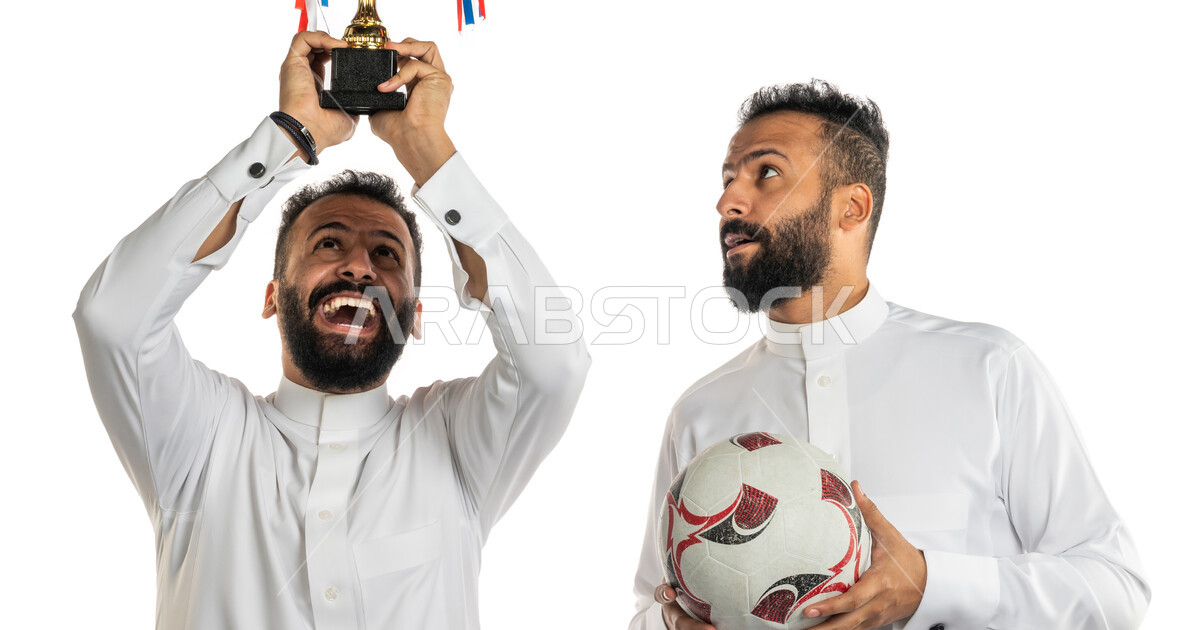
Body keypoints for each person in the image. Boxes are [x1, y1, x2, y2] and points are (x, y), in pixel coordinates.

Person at [74, 31, 589, 629]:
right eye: (328, 243)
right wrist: (290, 136)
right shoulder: (201, 437)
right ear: (272, 297)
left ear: (415, 315)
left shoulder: (455, 443)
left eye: (388, 255)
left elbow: (556, 362)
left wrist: (428, 150)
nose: (358, 266)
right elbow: (112, 319)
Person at [630, 81, 1149, 630]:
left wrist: (932, 585)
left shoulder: (989, 370)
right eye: (729, 179)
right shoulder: (701, 413)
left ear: (851, 208)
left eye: (768, 173)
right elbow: (648, 606)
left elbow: (1115, 589)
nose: (728, 202)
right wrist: (669, 625)